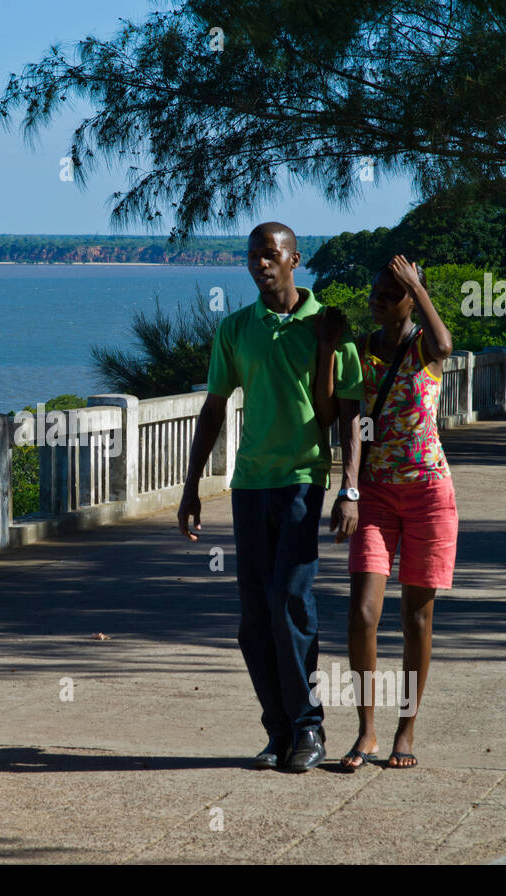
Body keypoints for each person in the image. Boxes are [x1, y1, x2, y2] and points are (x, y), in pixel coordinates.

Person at [178, 222, 365, 773]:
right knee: (255, 619)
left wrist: (349, 486)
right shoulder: (236, 329)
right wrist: (191, 488)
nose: (261, 263)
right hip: (249, 486)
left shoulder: (329, 325)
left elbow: (351, 415)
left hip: (303, 481)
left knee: (290, 601)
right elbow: (214, 408)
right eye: (254, 255)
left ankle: (310, 730)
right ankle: (278, 732)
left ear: (294, 260)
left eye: (272, 254)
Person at [314, 255, 458, 771]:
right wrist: (329, 348)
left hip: (427, 493)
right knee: (363, 614)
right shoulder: (360, 350)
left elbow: (445, 344)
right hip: (374, 493)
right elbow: (338, 414)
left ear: (408, 298)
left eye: (388, 292)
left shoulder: (425, 347)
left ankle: (406, 730)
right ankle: (366, 731)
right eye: (374, 290)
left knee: (417, 617)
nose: (376, 297)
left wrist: (418, 287)